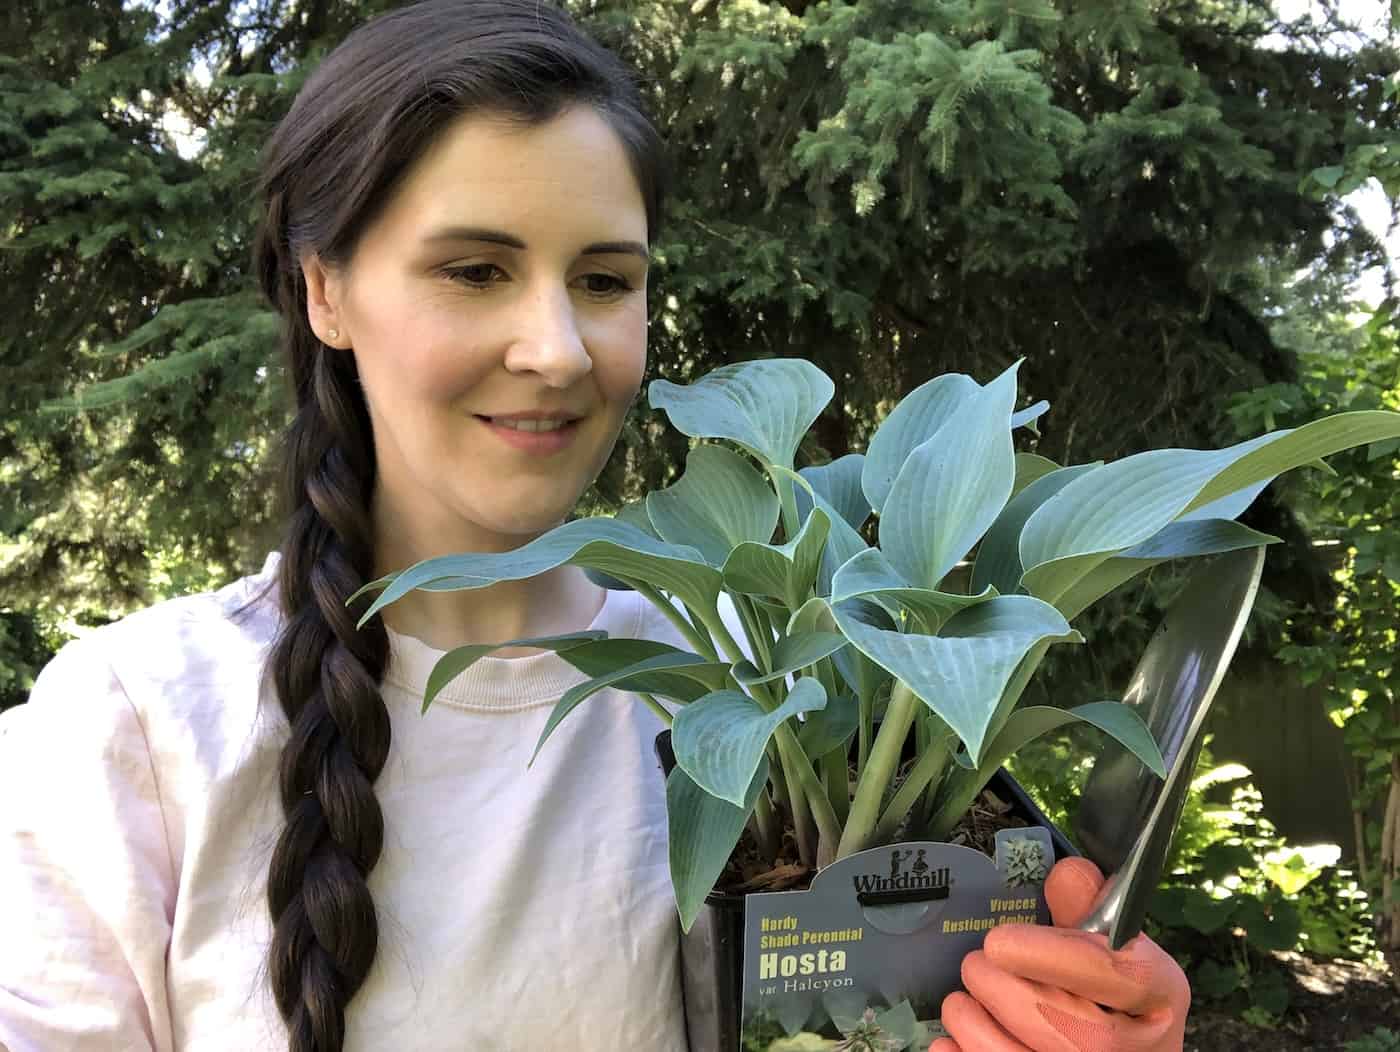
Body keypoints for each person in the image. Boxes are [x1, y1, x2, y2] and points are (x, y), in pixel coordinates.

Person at [0, 2, 1189, 1050]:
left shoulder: (784, 690)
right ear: (325, 291)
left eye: (605, 280)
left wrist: (1072, 1018)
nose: (558, 351)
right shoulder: (134, 733)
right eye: (473, 269)